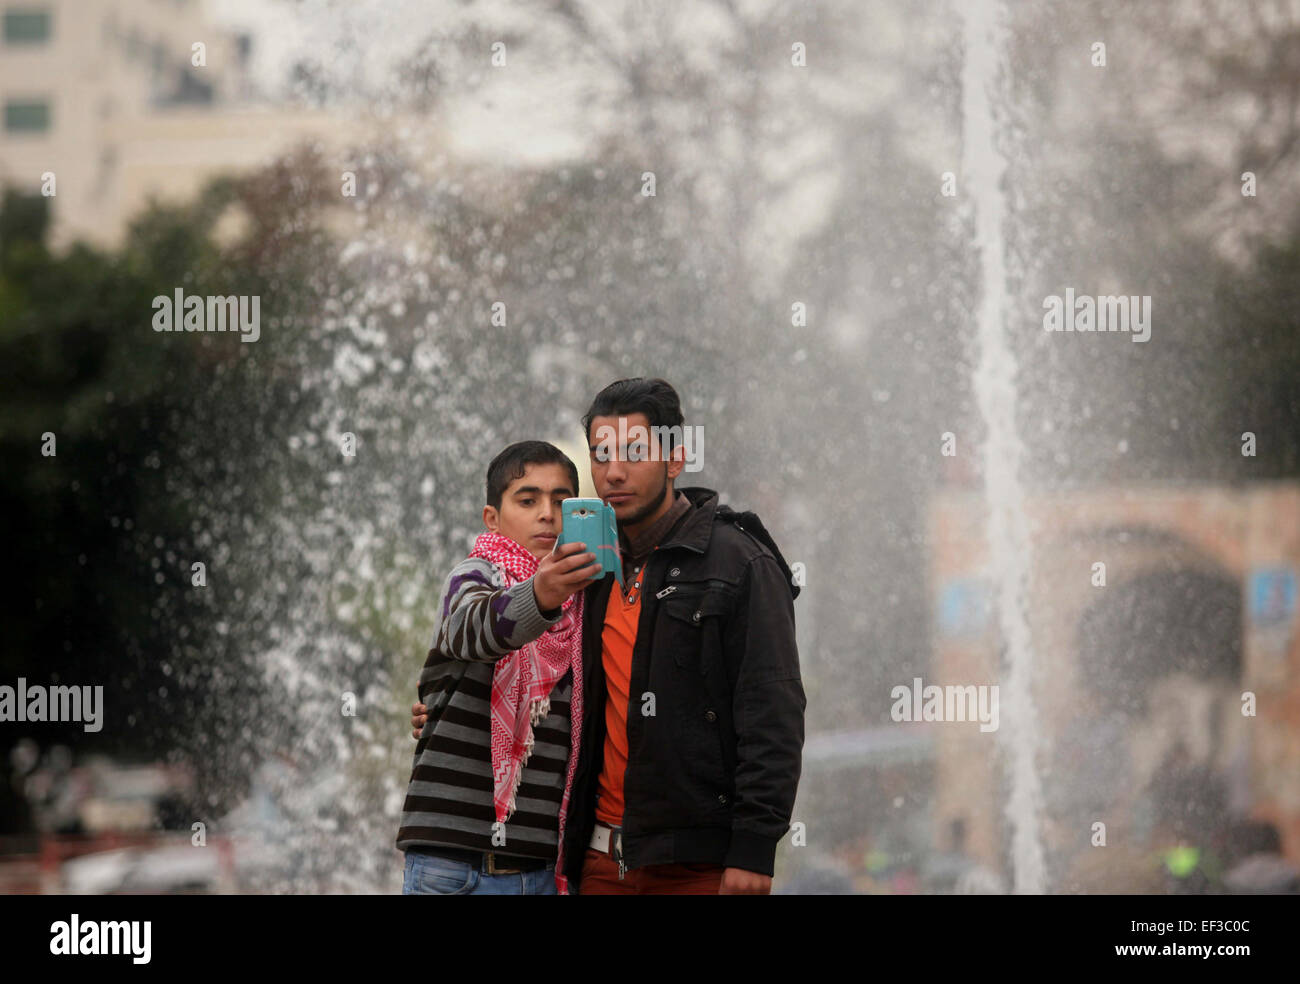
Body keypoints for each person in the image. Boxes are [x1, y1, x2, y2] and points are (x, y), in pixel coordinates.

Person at [412, 378, 807, 894]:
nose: (614, 471)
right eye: (601, 455)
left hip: (699, 866)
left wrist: (755, 846)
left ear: (674, 459)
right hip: (596, 864)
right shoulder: (585, 572)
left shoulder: (738, 562)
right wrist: (439, 706)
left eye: (634, 452)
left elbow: (772, 709)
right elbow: (490, 641)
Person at [395, 441, 601, 894]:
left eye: (562, 501)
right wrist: (541, 594)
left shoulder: (585, 607)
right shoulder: (474, 576)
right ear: (493, 518)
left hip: (539, 869)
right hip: (454, 865)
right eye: (527, 501)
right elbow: (473, 629)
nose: (547, 513)